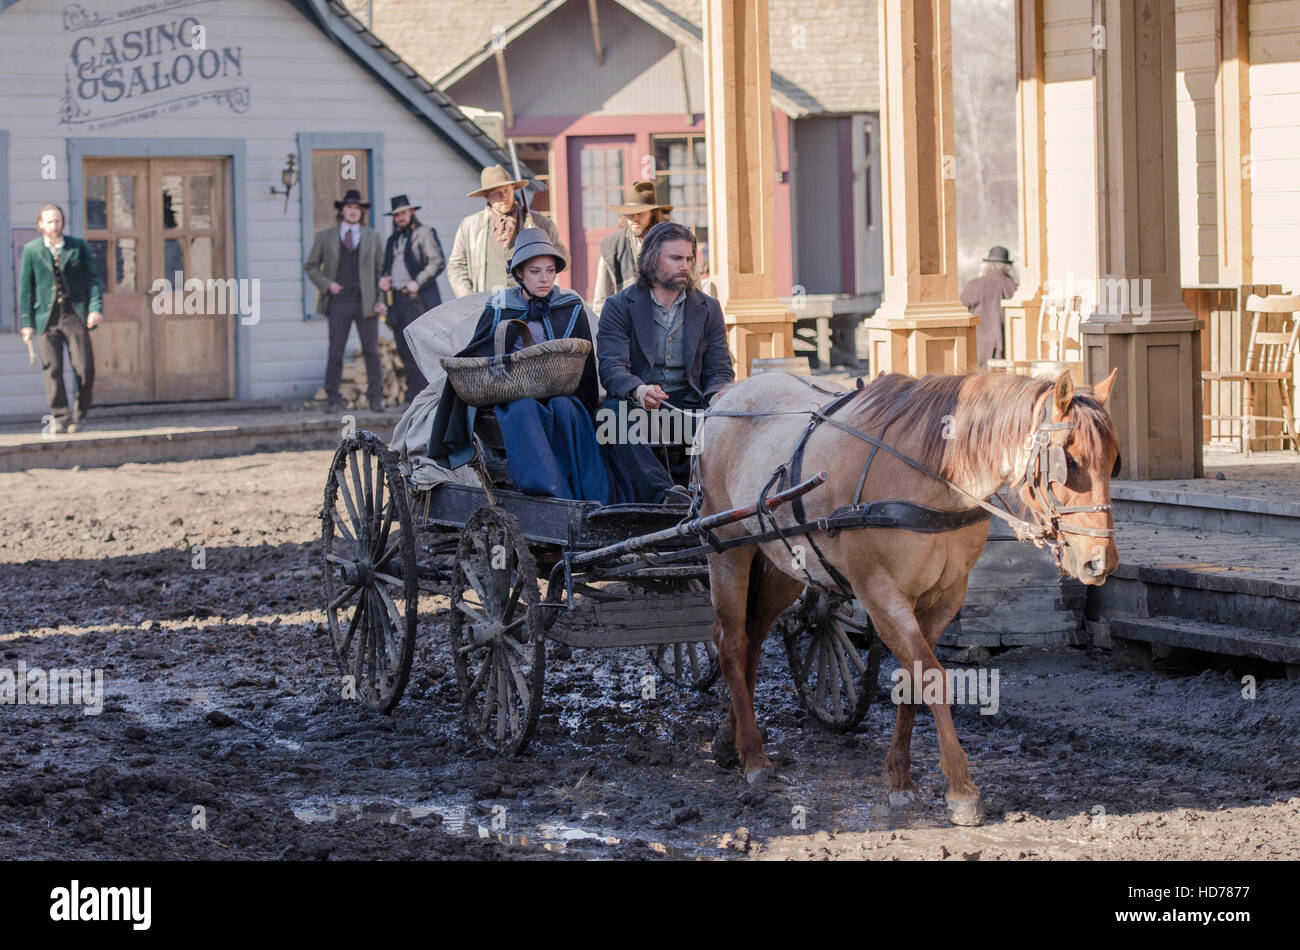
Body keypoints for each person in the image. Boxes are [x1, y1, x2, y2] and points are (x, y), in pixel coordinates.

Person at [429, 228, 616, 504]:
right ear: (519, 274)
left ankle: (591, 497)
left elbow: (584, 365)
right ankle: (551, 496)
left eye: (550, 271)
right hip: (511, 394)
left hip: (559, 392)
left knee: (568, 410)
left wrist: (585, 401)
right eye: (535, 271)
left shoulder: (569, 306)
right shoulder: (501, 306)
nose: (544, 279)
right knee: (524, 409)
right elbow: (479, 353)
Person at [597, 221, 735, 503]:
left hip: (692, 401)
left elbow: (719, 368)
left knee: (731, 420)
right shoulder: (619, 306)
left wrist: (720, 393)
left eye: (688, 259)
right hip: (642, 403)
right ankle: (664, 497)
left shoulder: (708, 308)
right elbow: (612, 368)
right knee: (611, 417)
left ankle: (700, 496)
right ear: (651, 260)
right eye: (675, 258)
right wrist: (638, 390)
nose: (684, 265)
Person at [18, 204, 102, 434]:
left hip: (74, 314)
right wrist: (26, 323)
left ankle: (80, 415)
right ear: (40, 225)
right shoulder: (32, 250)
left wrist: (94, 308)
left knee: (85, 367)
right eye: (49, 221)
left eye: (57, 221)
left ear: (62, 222)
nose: (54, 226)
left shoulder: (77, 247)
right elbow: (26, 289)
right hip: (46, 317)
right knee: (52, 368)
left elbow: (93, 280)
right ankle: (60, 416)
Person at [304, 189, 387, 411]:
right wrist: (327, 284)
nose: (353, 211)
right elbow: (310, 266)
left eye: (357, 208)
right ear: (342, 211)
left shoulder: (373, 236)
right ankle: (333, 398)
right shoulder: (325, 236)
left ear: (361, 212)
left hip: (366, 301)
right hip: (338, 300)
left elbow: (381, 271)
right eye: (349, 207)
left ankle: (375, 398)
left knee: (371, 350)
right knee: (336, 351)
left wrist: (380, 299)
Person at [447, 165, 567, 298]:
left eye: (506, 190)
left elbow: (564, 261)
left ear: (513, 190)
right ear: (487, 197)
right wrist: (469, 298)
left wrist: (538, 241)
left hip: (530, 303)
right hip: (487, 304)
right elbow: (456, 267)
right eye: (497, 193)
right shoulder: (470, 226)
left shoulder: (540, 223)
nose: (503, 196)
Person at [378, 194, 446, 402]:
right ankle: (413, 394)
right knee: (404, 350)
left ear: (412, 212)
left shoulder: (424, 233)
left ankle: (430, 394)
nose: (400, 217)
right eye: (397, 215)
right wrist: (383, 281)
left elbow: (437, 262)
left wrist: (418, 281)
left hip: (418, 301)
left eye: (404, 213)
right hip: (397, 302)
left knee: (422, 350)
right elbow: (386, 268)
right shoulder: (392, 240)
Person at [591, 180, 672, 318]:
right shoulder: (612, 246)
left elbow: (692, 288)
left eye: (641, 213)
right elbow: (601, 300)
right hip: (627, 325)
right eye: (629, 214)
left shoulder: (672, 241)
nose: (634, 219)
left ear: (652, 213)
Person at [960, 245, 1018, 368]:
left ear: (987, 265)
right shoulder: (1014, 287)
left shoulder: (972, 285)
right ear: (1008, 267)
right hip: (1008, 350)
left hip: (977, 348)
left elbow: (961, 314)